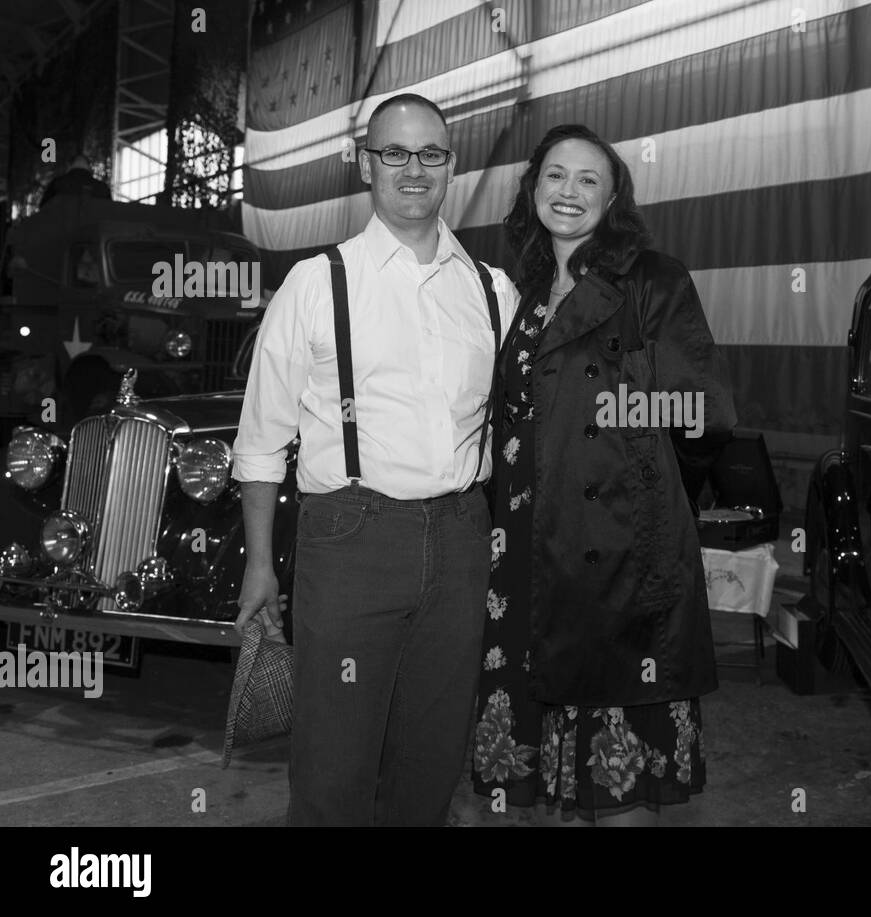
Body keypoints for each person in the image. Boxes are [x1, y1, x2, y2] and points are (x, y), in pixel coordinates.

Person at [232, 92, 519, 826]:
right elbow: (262, 441)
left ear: (452, 166)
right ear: (367, 164)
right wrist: (260, 563)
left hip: (461, 539)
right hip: (351, 538)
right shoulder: (315, 283)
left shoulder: (493, 291)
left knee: (430, 765)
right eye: (395, 152)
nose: (413, 169)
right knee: (333, 770)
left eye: (431, 153)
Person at [471, 124, 736, 825]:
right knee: (553, 780)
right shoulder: (523, 291)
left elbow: (705, 416)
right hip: (527, 550)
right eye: (555, 174)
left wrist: (642, 489)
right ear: (532, 188)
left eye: (589, 179)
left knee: (617, 779)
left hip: (617, 554)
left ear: (615, 195)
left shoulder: (651, 279)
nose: (569, 191)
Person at [40, 153, 111, 207]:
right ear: (89, 167)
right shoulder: (102, 188)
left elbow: (43, 209)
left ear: (69, 166)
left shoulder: (57, 184)